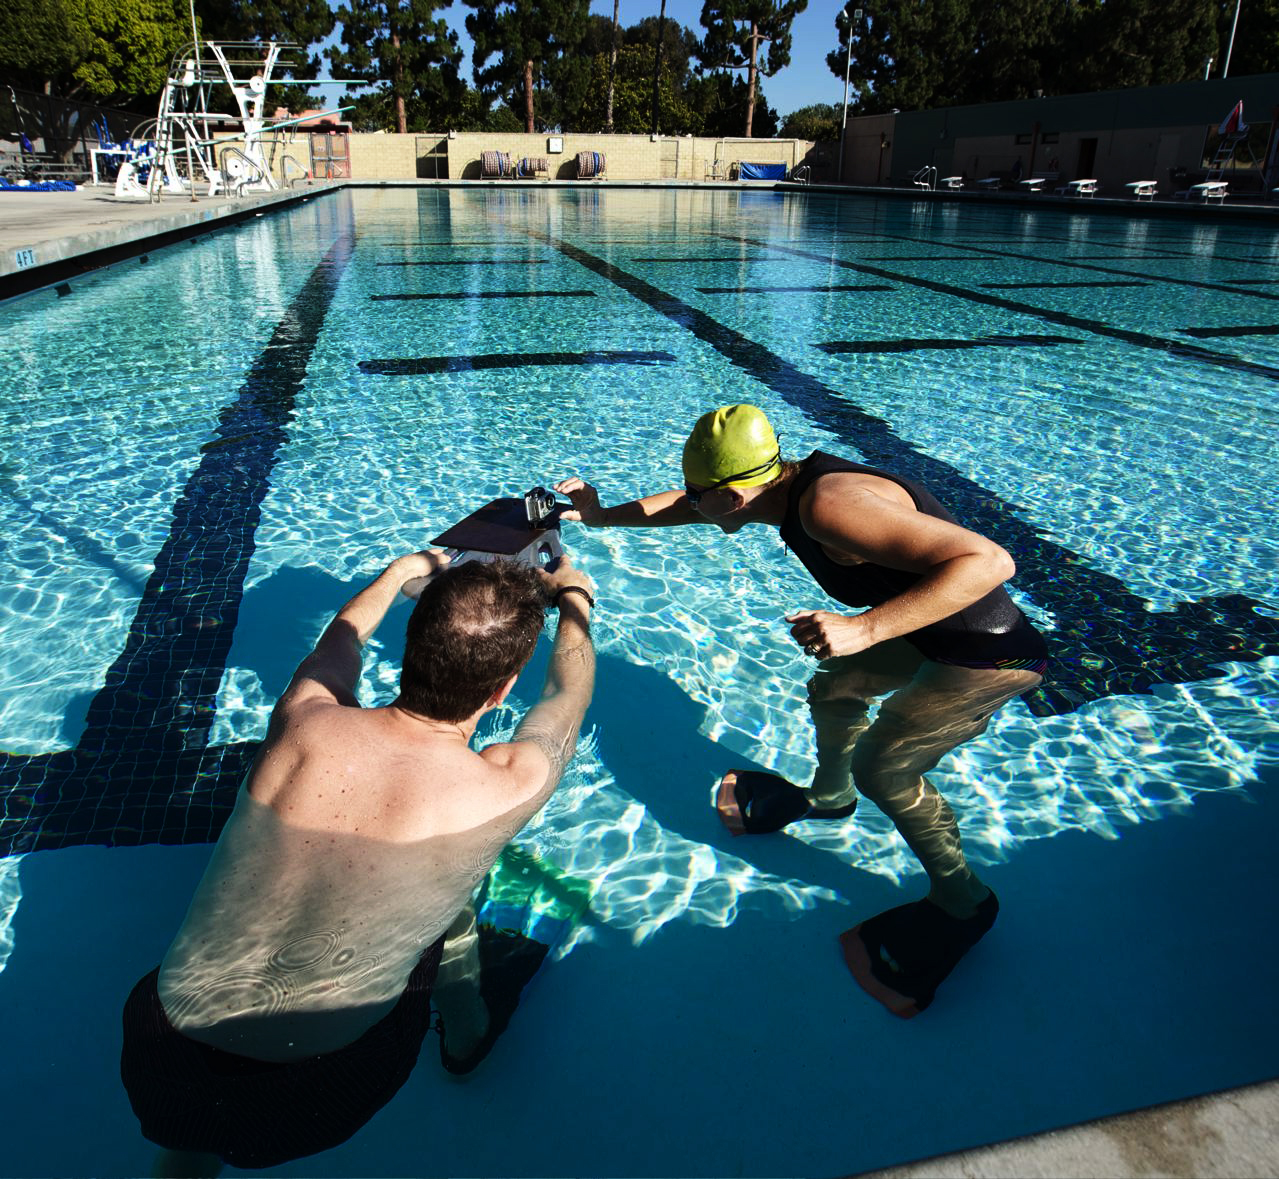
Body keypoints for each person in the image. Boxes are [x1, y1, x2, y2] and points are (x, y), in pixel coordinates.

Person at [554, 404, 1046, 1019]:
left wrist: (866, 629)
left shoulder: (829, 507)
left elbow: (991, 562)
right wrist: (602, 517)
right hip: (929, 633)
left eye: (700, 495)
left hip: (987, 656)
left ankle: (964, 900)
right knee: (836, 690)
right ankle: (829, 798)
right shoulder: (783, 489)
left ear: (734, 496)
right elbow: (687, 506)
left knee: (887, 771)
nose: (689, 503)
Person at [121, 547, 595, 1173]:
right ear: (505, 688)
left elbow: (341, 636)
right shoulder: (511, 784)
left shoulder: (304, 719)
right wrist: (574, 600)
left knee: (191, 1135)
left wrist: (402, 573)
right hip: (324, 1090)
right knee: (452, 896)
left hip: (161, 1057)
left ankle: (184, 1161)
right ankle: (468, 1032)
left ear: (410, 648)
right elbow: (570, 693)